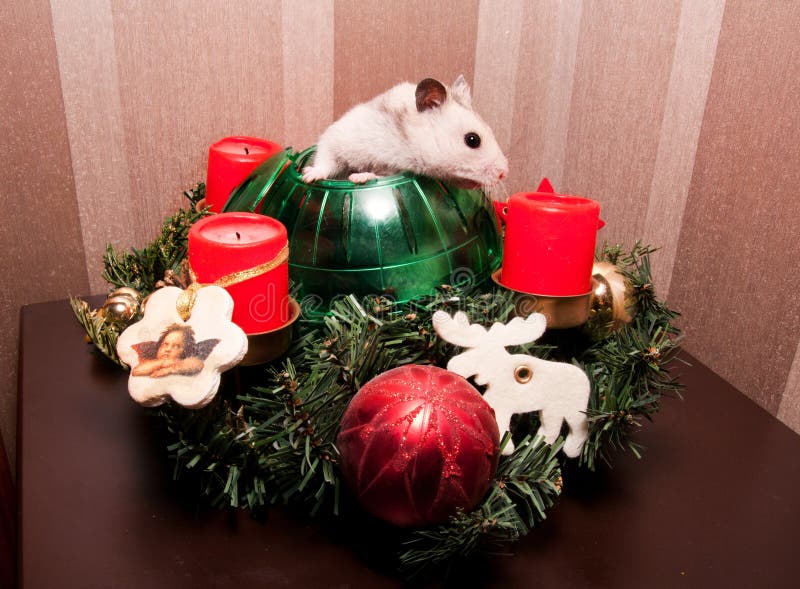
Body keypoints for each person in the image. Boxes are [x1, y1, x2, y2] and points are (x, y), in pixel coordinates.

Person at [132, 324, 205, 378]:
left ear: (185, 352)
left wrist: (170, 369)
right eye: (165, 344)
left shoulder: (183, 362)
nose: (168, 349)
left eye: (176, 346)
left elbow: (198, 364)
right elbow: (136, 371)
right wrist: (162, 363)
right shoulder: (152, 361)